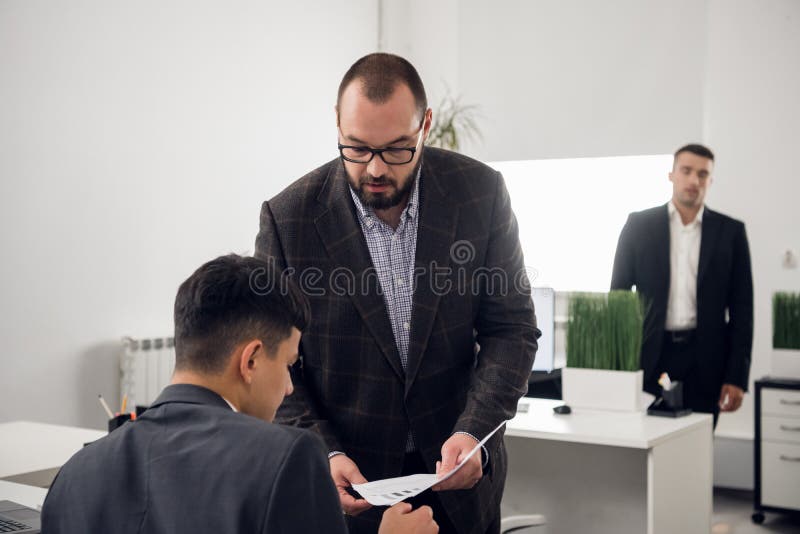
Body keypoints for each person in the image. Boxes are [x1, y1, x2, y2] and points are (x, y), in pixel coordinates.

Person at [255, 53, 538, 534]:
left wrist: (475, 431)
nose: (375, 169)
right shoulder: (289, 220)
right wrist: (324, 452)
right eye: (357, 148)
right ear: (338, 125)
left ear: (425, 125)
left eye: (396, 149)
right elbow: (276, 365)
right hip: (354, 493)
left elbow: (511, 329)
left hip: (462, 487)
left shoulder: (480, 193)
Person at [41, 254, 438, 534]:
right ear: (250, 360)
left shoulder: (76, 473)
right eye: (287, 364)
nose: (287, 387)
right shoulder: (288, 458)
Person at [611, 143, 753, 426]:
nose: (694, 180)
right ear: (671, 174)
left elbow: (742, 310)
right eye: (686, 171)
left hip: (707, 361)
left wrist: (737, 377)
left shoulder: (731, 232)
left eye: (703, 174)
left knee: (698, 449)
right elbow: (618, 298)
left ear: (710, 181)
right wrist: (618, 368)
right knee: (645, 441)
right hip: (651, 356)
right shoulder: (639, 225)